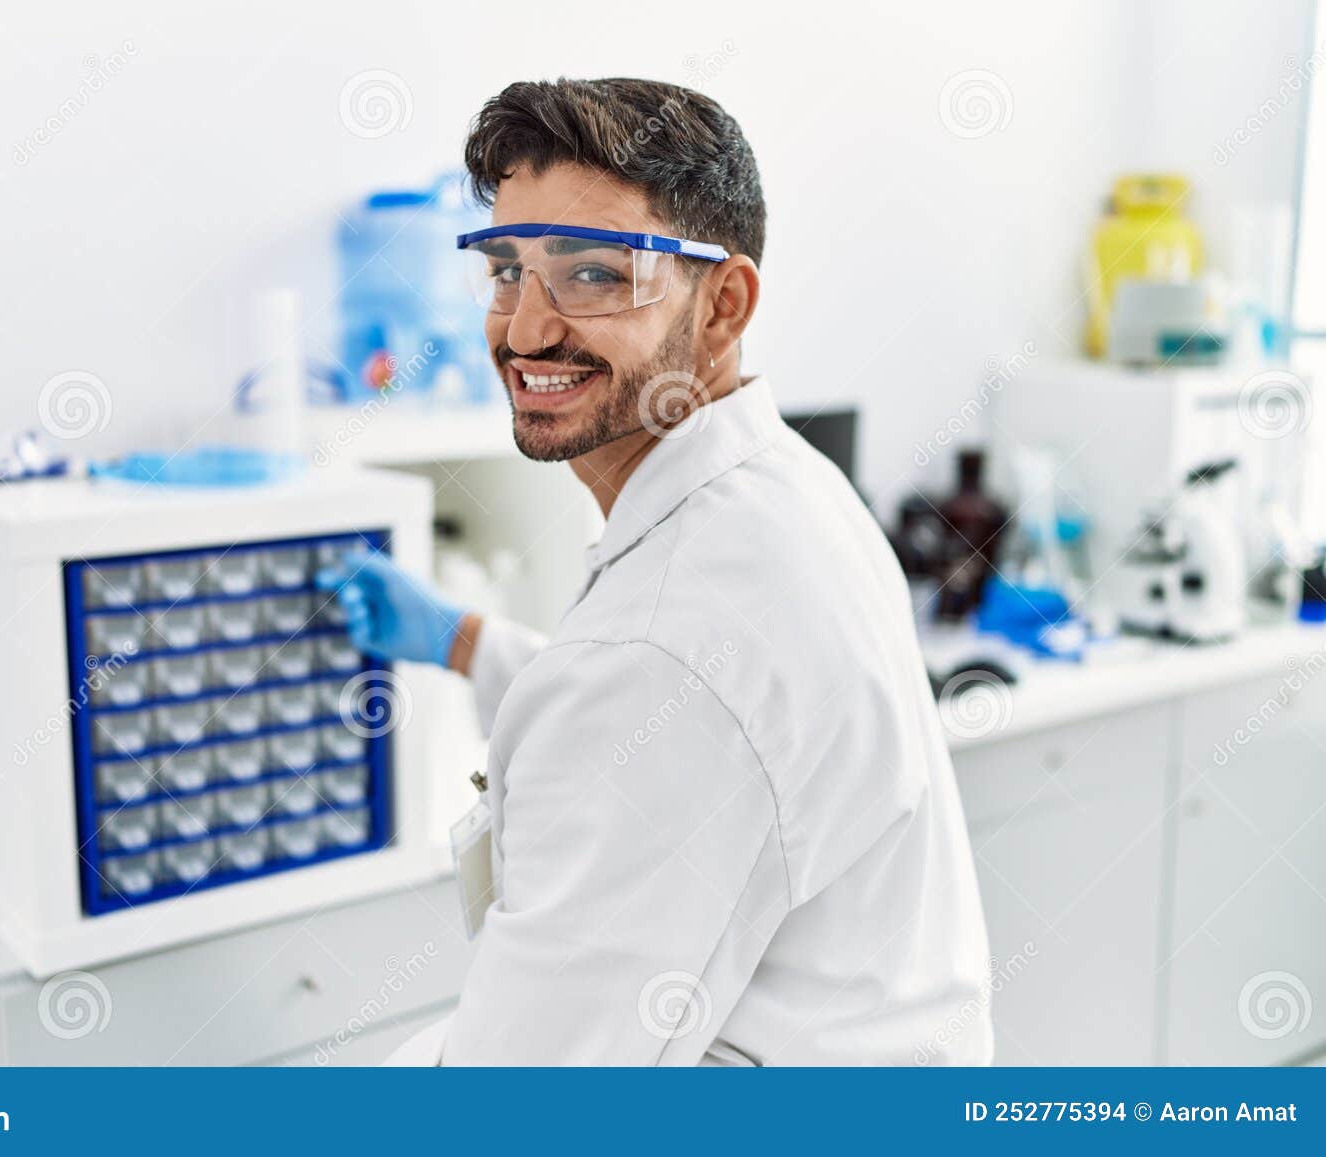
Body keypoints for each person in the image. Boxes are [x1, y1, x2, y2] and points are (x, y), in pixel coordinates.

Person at [316, 78, 992, 1065]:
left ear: (723, 305)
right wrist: (463, 641)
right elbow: (657, 717)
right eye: (505, 269)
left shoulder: (668, 643)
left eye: (592, 273)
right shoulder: (786, 487)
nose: (525, 328)